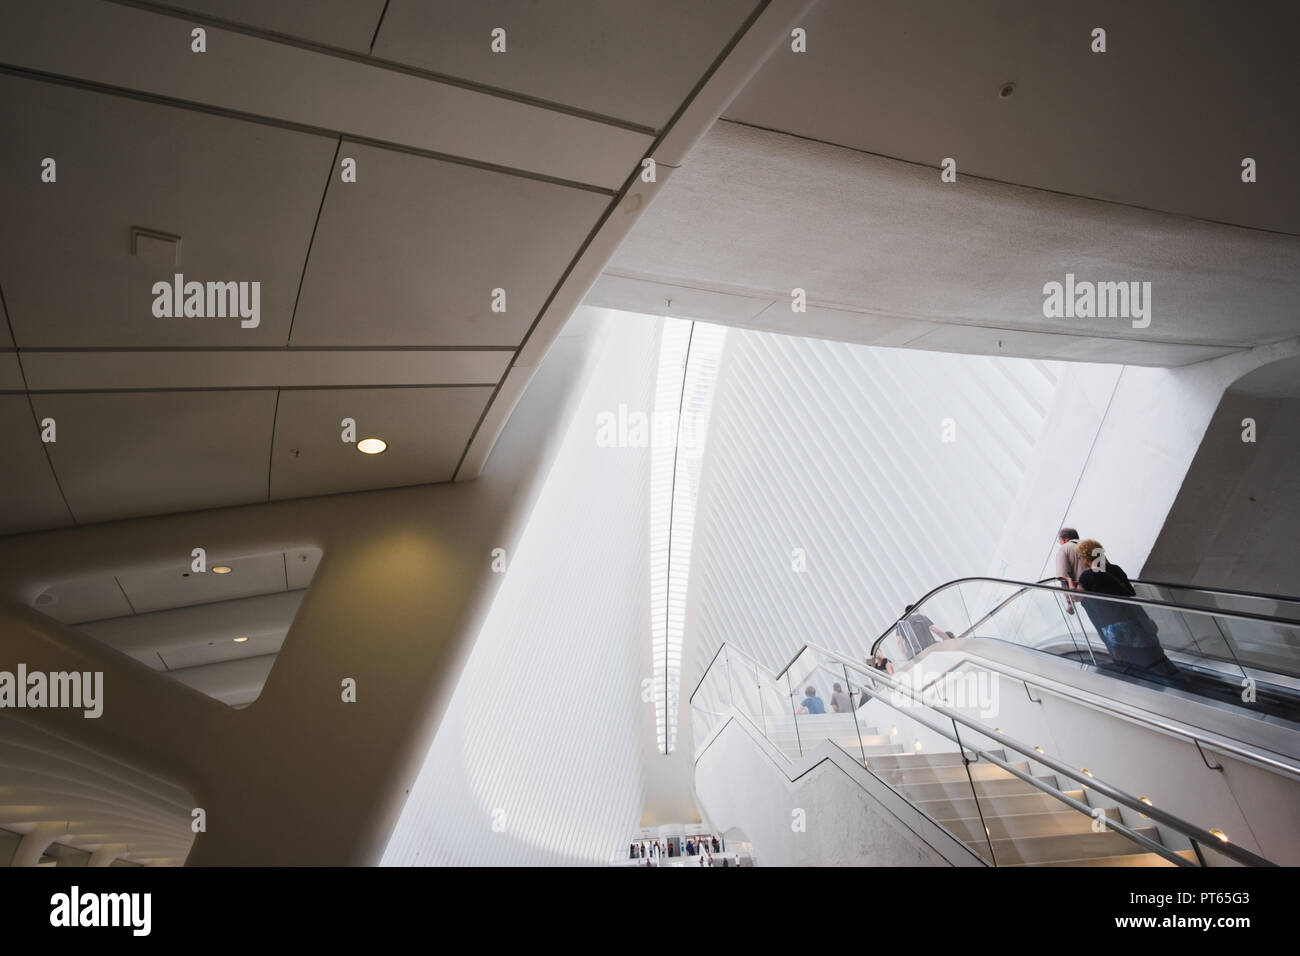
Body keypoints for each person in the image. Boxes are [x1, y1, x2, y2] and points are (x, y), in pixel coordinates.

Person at [1074, 539, 1179, 678]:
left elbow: (1077, 597)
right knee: (1154, 654)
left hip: (1114, 623)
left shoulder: (1087, 576)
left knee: (1132, 661)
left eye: (1081, 556)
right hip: (1136, 617)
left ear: (1086, 557)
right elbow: (1131, 592)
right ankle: (1176, 678)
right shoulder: (1115, 569)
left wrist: (1070, 582)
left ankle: (1159, 684)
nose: (1080, 559)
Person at [1055, 527, 1089, 614]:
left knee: (1107, 625)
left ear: (1064, 539)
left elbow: (1064, 578)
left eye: (1060, 541)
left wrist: (1070, 603)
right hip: (1112, 593)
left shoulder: (1064, 549)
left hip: (1088, 594)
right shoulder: (1090, 546)